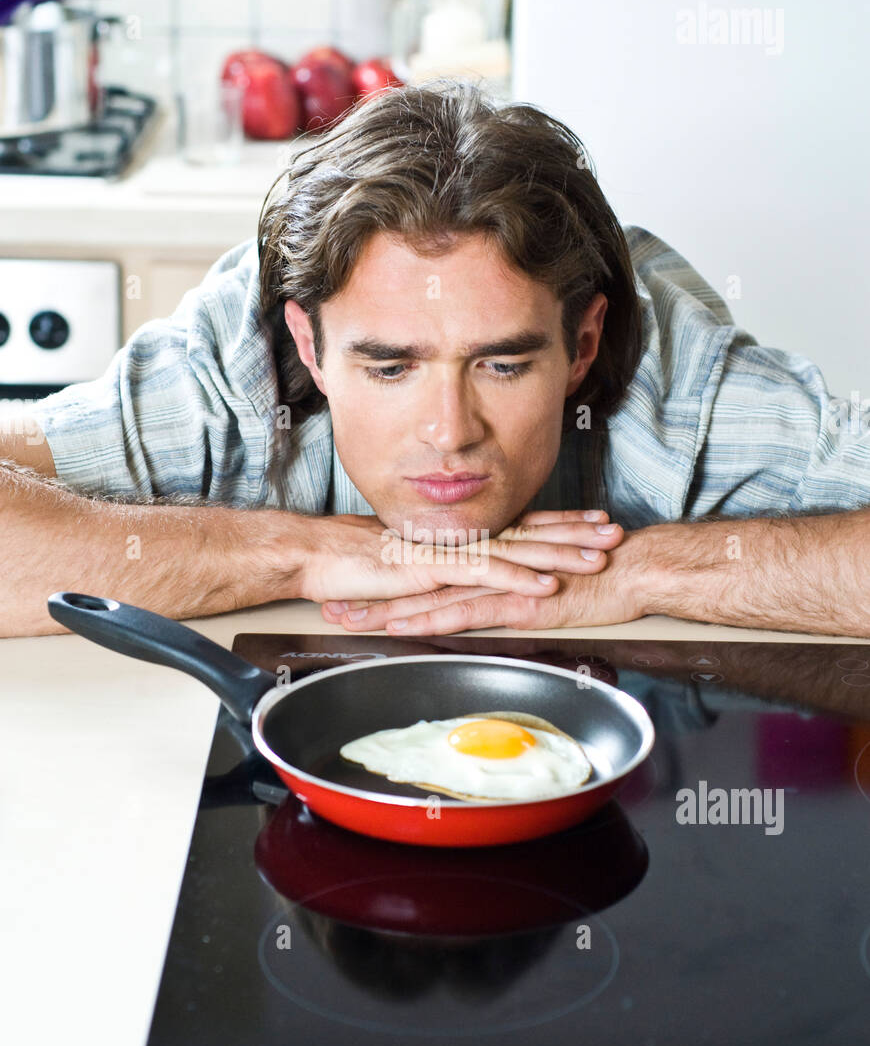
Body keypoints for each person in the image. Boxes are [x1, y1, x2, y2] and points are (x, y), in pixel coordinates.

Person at [2, 82, 868, 639]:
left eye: (502, 365)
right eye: (389, 368)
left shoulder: (669, 383)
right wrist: (297, 554)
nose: (449, 435)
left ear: (585, 344)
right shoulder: (237, 367)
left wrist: (643, 568)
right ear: (309, 343)